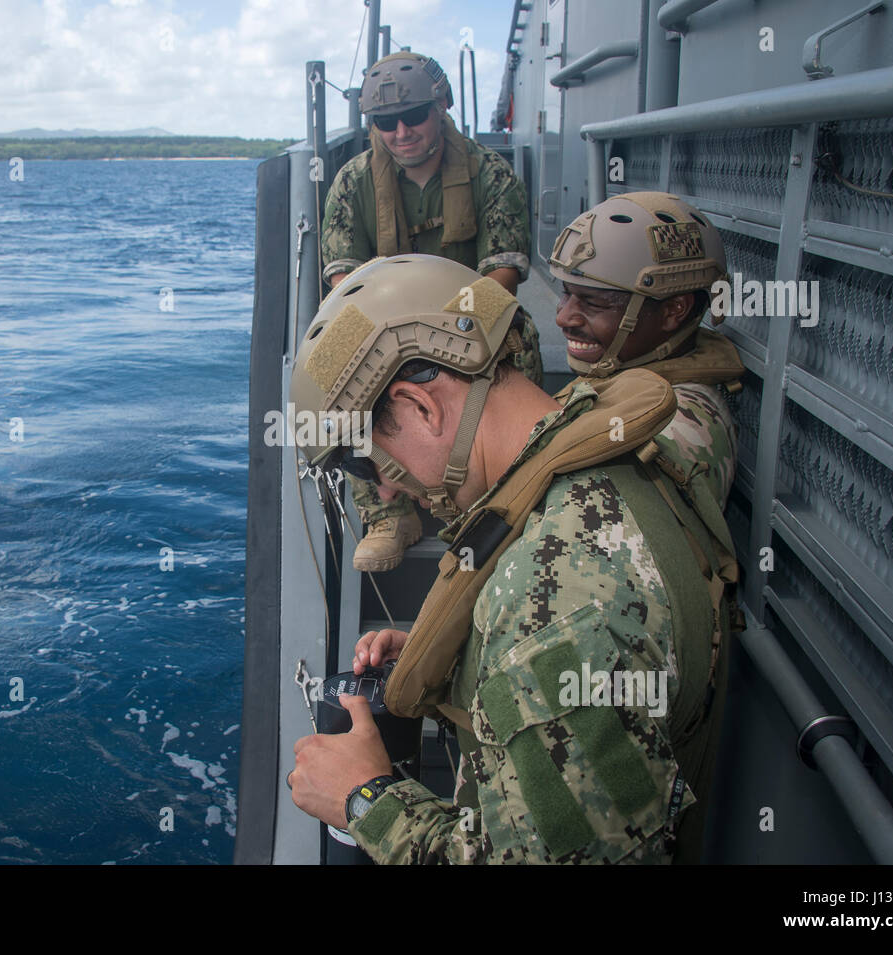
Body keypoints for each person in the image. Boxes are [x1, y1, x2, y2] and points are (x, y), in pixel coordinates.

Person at [286, 254, 736, 864]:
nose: (385, 489)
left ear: (422, 406)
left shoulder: (550, 606)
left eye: (366, 461)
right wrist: (477, 651)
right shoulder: (604, 443)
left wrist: (364, 800)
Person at [321, 51, 540, 574]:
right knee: (335, 363)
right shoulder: (353, 183)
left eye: (413, 116)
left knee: (518, 332)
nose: (400, 132)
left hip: (465, 316)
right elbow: (344, 283)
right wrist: (394, 340)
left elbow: (502, 275)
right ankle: (387, 510)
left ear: (442, 106)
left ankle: (502, 493)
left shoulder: (491, 174)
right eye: (385, 123)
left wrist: (447, 337)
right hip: (386, 321)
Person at [548, 191, 745, 510]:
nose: (563, 317)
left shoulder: (669, 429)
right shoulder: (629, 376)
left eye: (593, 302)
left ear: (673, 310)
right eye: (566, 294)